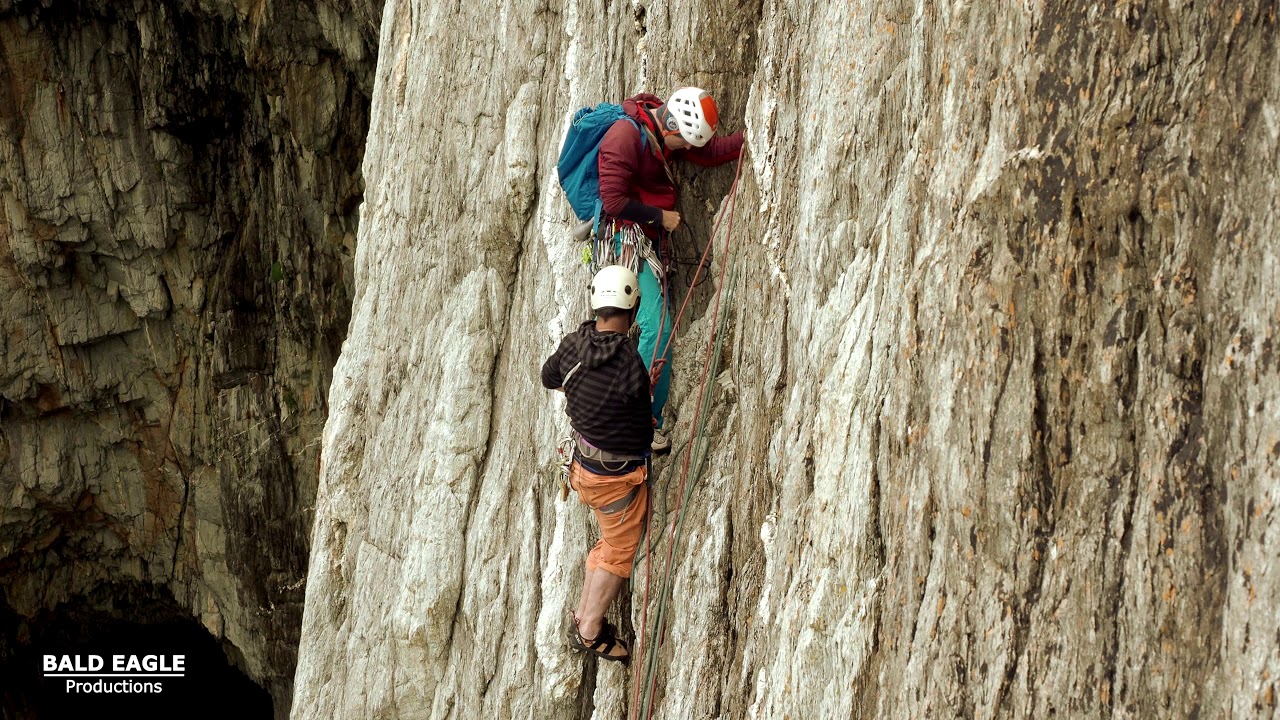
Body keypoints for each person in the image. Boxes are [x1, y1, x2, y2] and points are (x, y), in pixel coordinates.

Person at [596, 86, 744, 452]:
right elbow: (613, 200)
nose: (685, 152)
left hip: (641, 240)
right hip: (623, 239)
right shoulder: (625, 137)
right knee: (656, 327)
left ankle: (637, 416)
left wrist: (750, 136)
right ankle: (640, 422)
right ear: (673, 127)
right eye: (684, 144)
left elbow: (707, 154)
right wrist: (659, 216)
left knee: (649, 326)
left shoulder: (659, 131)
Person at [542, 265, 653, 662]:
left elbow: (548, 376)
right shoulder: (628, 363)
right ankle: (589, 630)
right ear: (632, 307)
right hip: (612, 481)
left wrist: (588, 398)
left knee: (607, 543)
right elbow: (644, 434)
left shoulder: (574, 343)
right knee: (620, 549)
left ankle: (584, 617)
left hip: (582, 467)